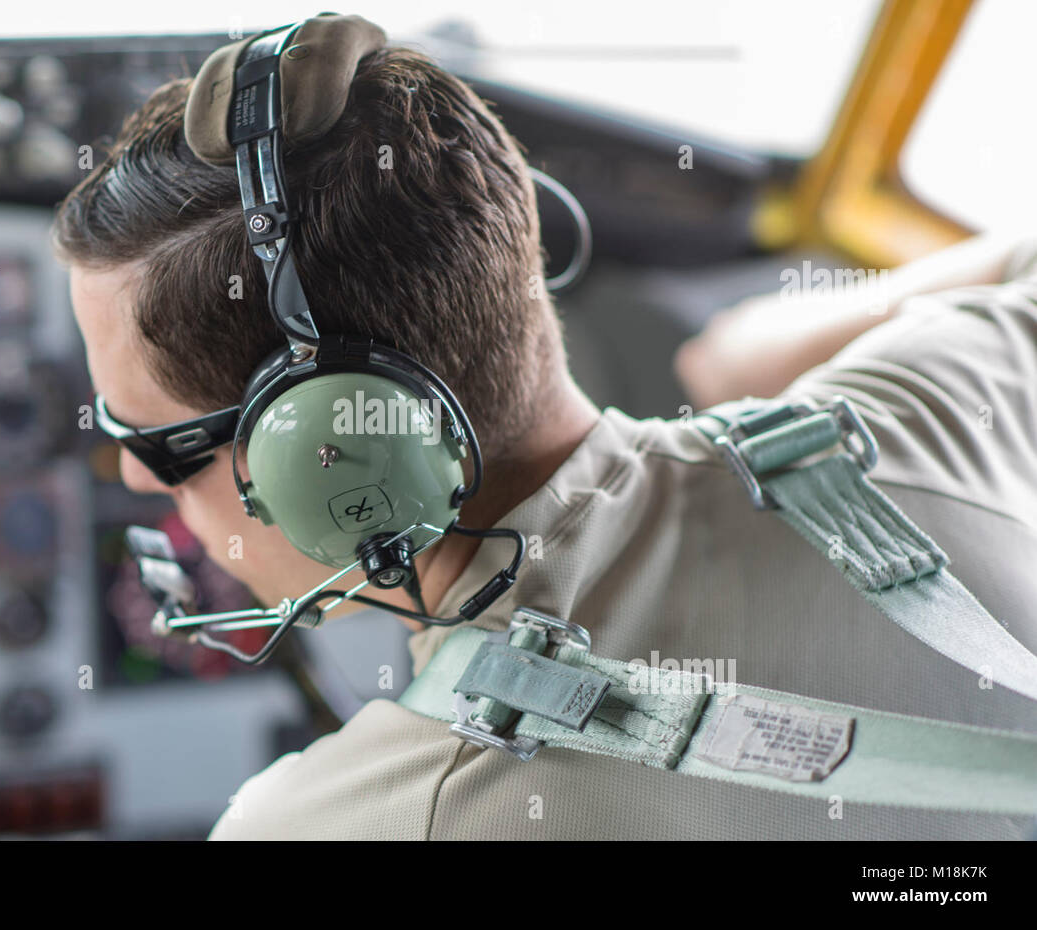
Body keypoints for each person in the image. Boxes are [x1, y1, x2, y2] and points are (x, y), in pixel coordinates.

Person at [53, 36, 1037, 839]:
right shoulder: (938, 411)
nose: (137, 477)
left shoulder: (333, 826)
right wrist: (739, 368)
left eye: (159, 443)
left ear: (321, 447)